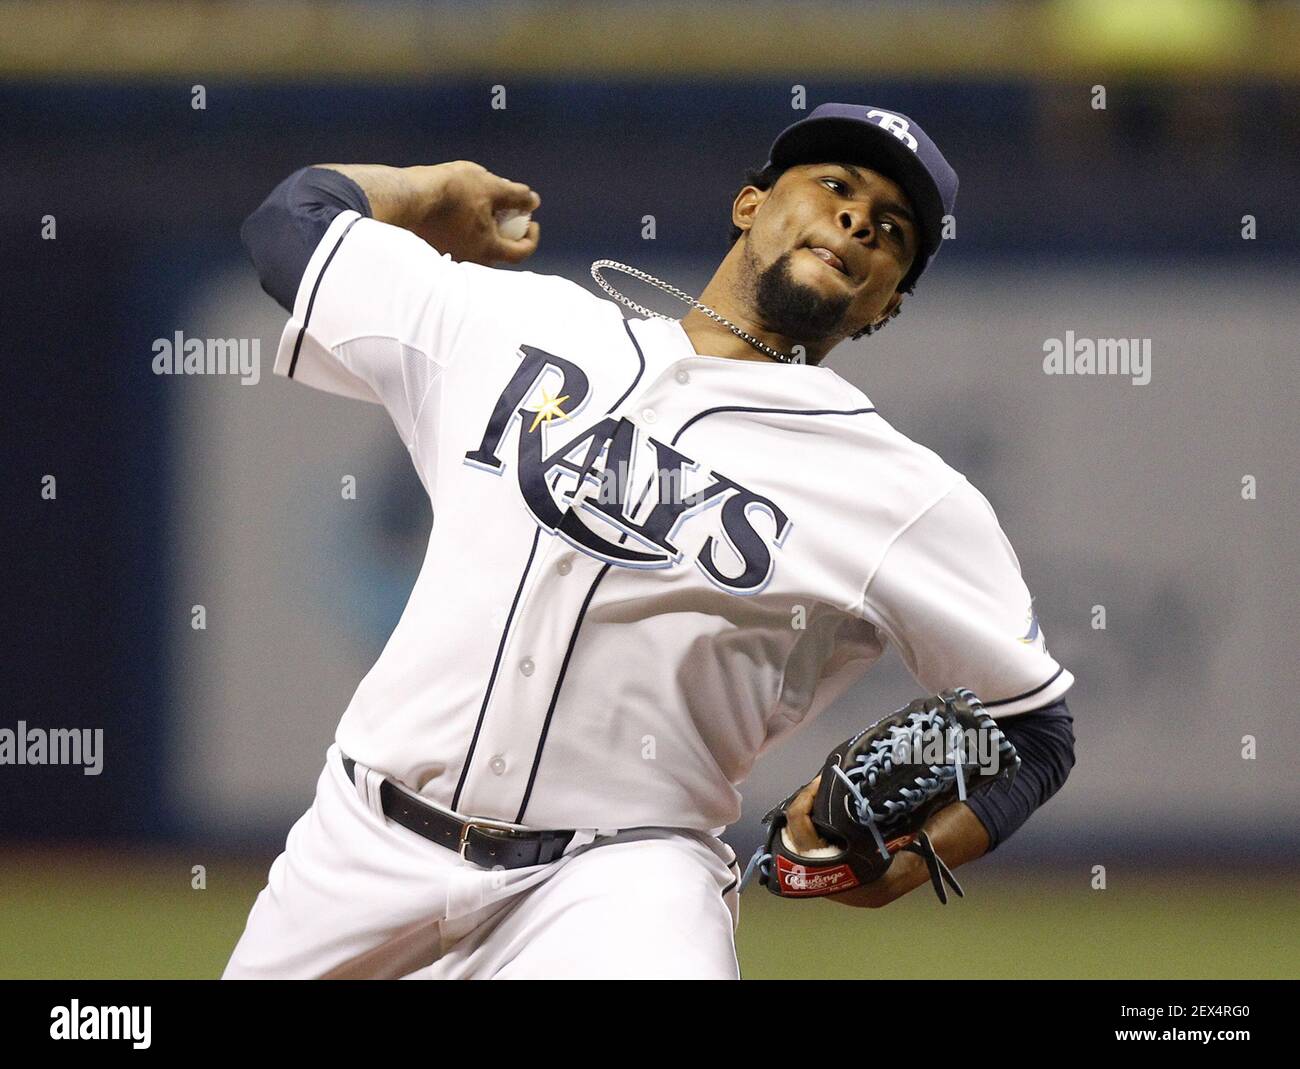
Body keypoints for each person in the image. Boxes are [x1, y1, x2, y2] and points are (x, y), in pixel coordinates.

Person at [224, 102, 1075, 979]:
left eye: (892, 230)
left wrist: (901, 866)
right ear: (749, 205)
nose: (857, 220)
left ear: (887, 303)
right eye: (834, 186)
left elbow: (1036, 729)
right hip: (361, 844)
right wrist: (425, 191)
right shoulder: (519, 324)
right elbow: (290, 225)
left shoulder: (903, 493)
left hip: (622, 881)